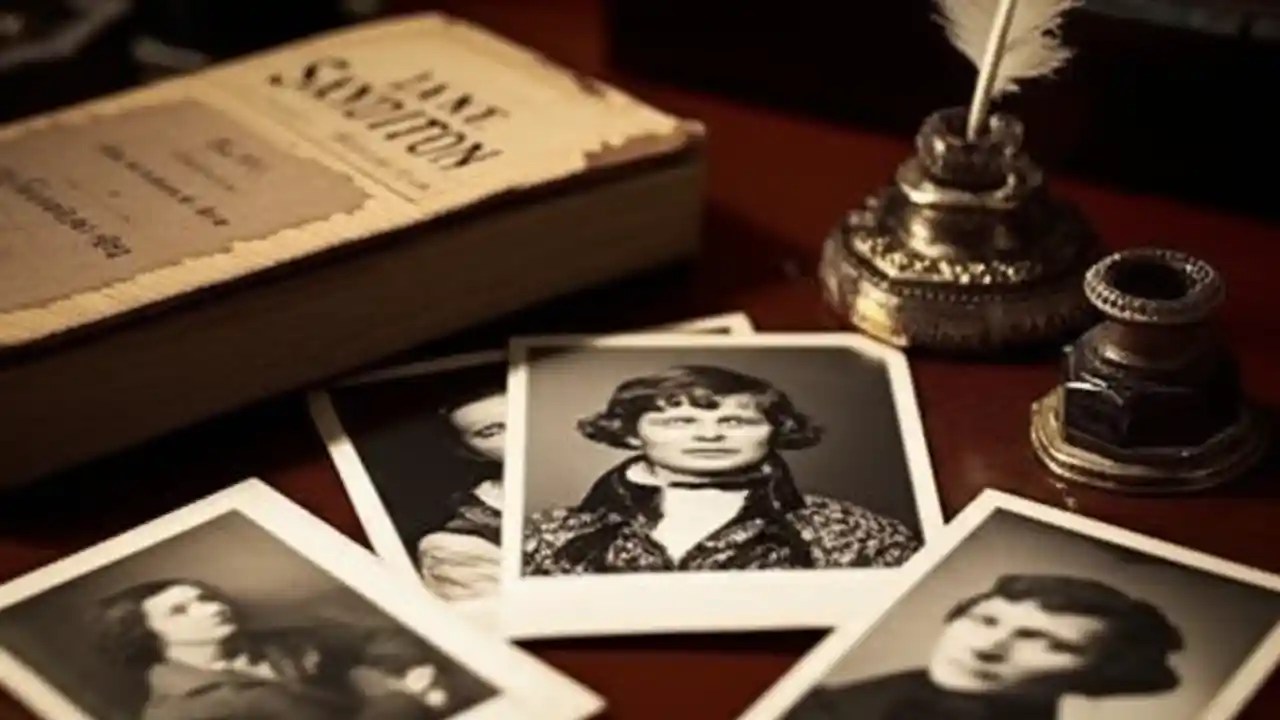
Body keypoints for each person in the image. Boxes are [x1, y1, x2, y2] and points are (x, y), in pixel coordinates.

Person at [522, 364, 921, 574]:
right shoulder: (546, 535)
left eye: (736, 422)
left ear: (775, 431)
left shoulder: (860, 533)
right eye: (679, 422)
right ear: (629, 433)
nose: (709, 436)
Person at [787, 574, 1184, 720]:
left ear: (1102, 674)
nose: (987, 648)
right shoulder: (821, 709)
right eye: (984, 620)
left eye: (1048, 642)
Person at [94, 578, 493, 720]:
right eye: (181, 610)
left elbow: (374, 637)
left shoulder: (275, 643)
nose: (213, 607)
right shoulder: (182, 713)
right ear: (146, 637)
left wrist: (407, 667)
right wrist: (405, 699)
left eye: (204, 597)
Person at [416, 380, 506, 601]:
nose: (526, 433)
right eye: (492, 431)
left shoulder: (601, 485)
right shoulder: (456, 546)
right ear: (468, 451)